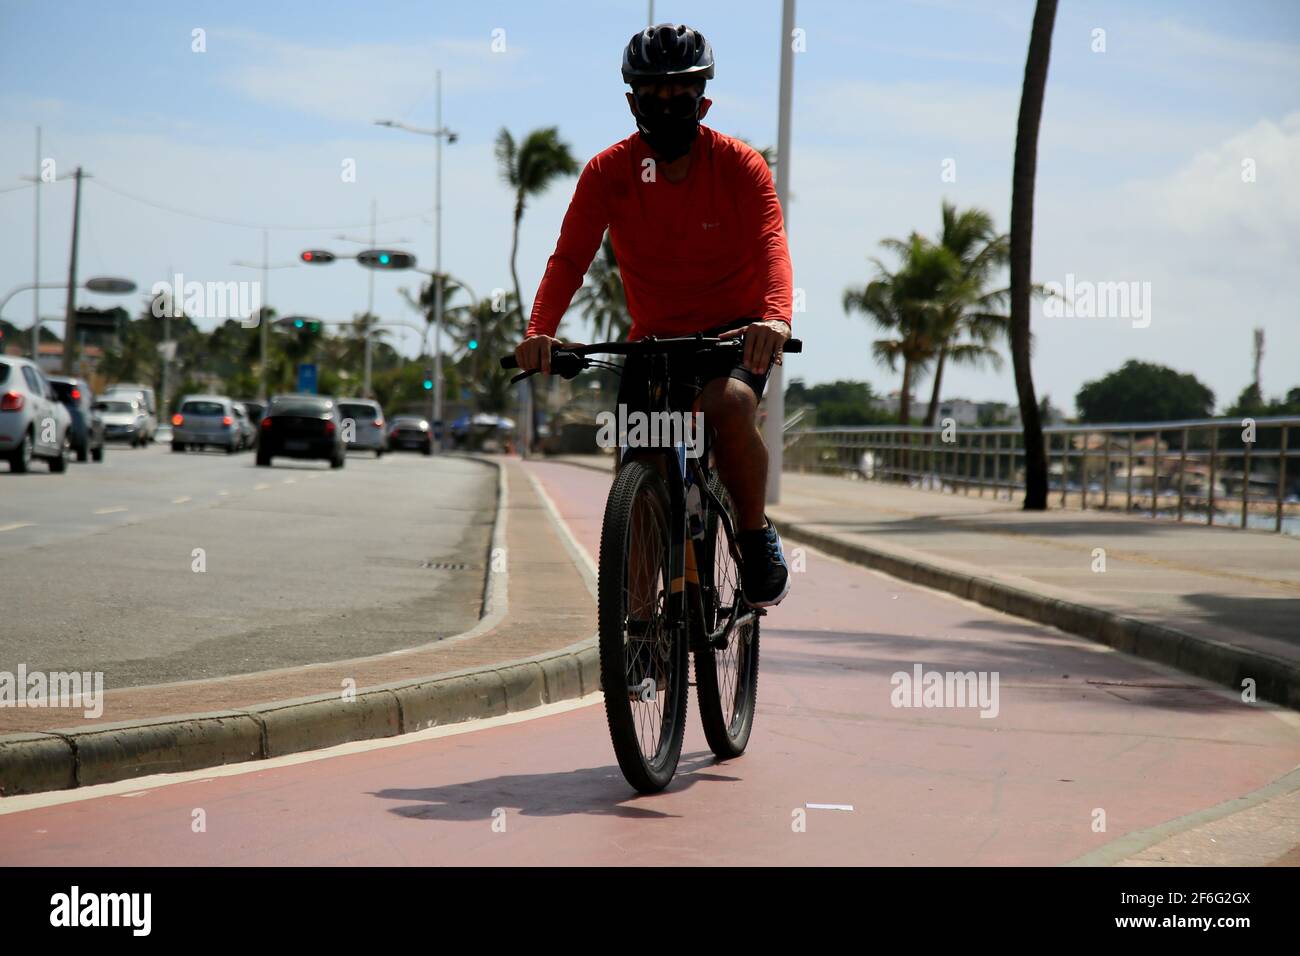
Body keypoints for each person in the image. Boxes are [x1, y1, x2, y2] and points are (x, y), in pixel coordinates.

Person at [514, 22, 793, 607]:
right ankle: (640, 645)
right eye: (653, 98)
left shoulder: (741, 166)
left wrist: (775, 318)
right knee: (638, 476)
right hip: (653, 342)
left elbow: (771, 241)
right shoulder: (608, 173)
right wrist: (540, 330)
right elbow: (569, 258)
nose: (667, 108)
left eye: (682, 98)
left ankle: (752, 531)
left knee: (728, 404)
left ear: (704, 101)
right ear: (631, 102)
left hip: (734, 337)